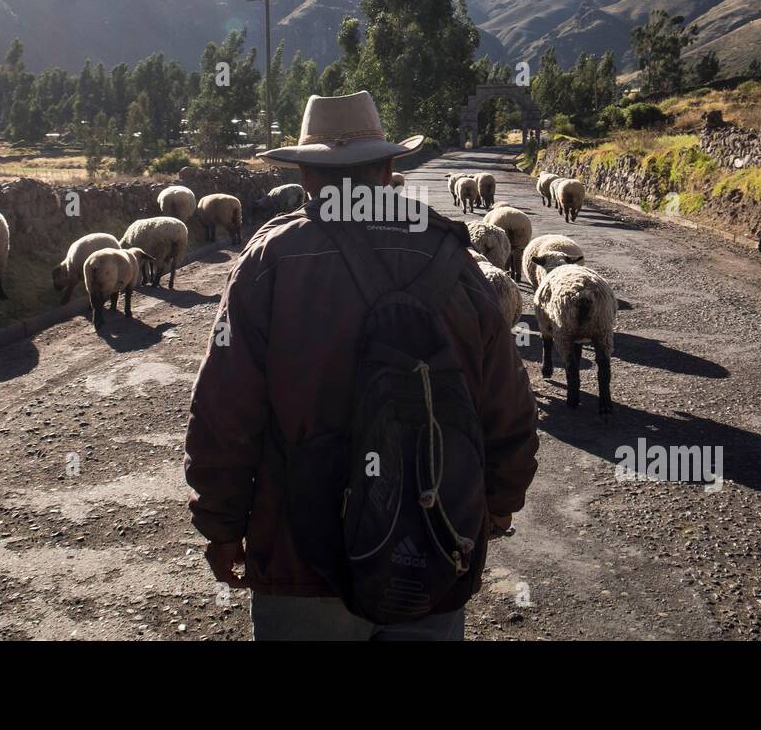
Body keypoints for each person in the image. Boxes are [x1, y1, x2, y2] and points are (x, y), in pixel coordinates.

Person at [184, 90, 538, 640]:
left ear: (305, 173)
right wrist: (494, 506)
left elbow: (224, 412)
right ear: (390, 166)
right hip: (434, 549)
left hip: (301, 559)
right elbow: (508, 402)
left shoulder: (270, 262)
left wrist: (222, 525)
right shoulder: (456, 260)